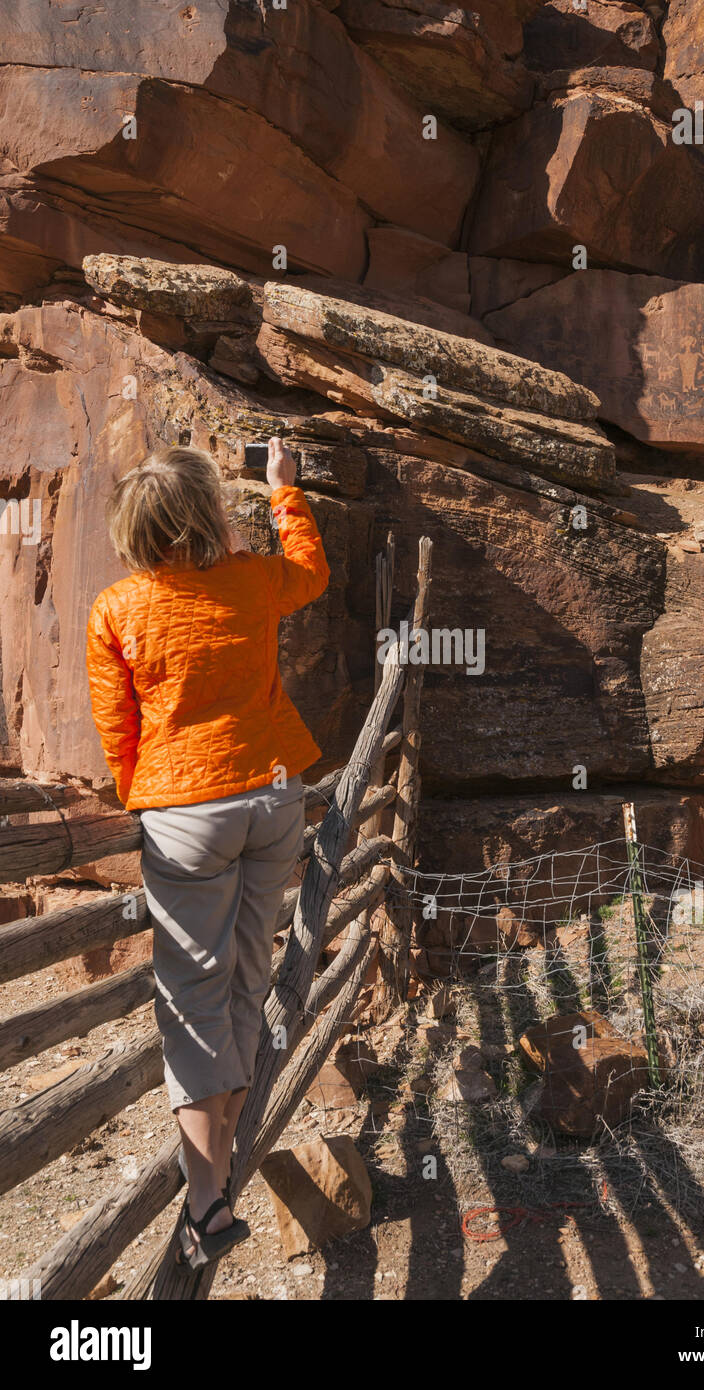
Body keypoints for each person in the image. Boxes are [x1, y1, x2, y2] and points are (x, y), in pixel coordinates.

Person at [86, 437, 329, 1267]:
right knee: (247, 973)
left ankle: (206, 1201)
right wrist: (283, 492)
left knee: (192, 996)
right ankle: (221, 1164)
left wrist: (141, 792)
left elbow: (117, 728)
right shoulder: (256, 580)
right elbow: (312, 571)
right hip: (272, 796)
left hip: (187, 813)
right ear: (203, 514)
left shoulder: (118, 608)